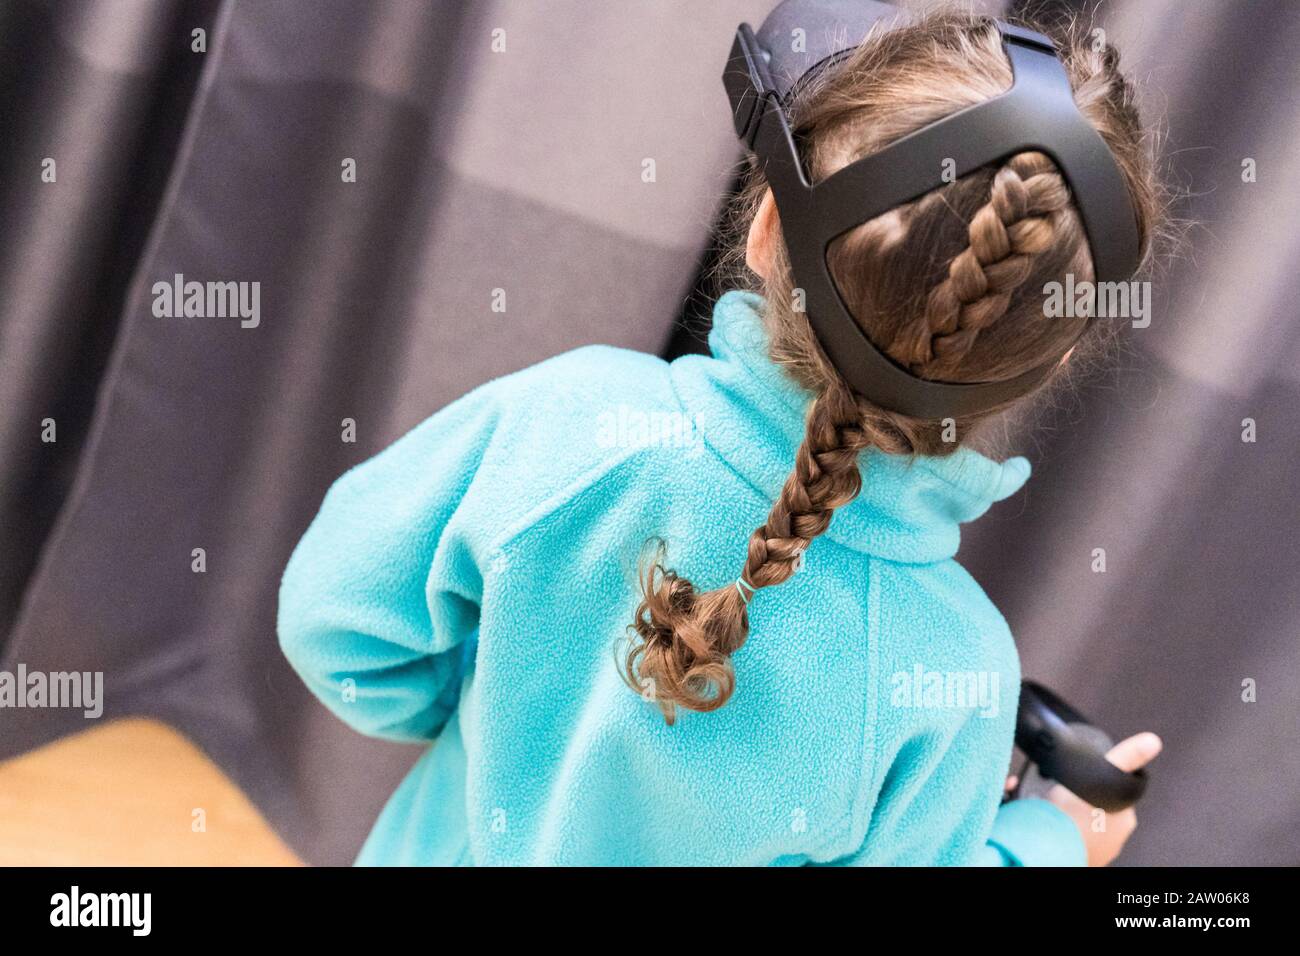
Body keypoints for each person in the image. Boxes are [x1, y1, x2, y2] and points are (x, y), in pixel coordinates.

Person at [278, 9, 1163, 866]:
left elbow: (333, 618)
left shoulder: (572, 421)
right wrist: (1050, 843)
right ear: (1049, 361)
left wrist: (493, 720)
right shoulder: (957, 673)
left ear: (768, 228)